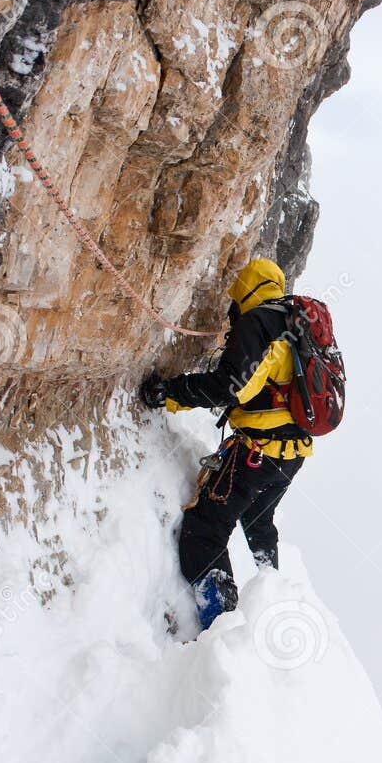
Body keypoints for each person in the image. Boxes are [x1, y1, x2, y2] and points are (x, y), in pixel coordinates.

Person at [140, 257, 311, 631]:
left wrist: (170, 392)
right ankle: (275, 586)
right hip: (293, 455)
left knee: (204, 531)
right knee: (258, 519)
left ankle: (223, 627)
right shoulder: (296, 322)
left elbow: (231, 386)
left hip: (256, 454)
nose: (233, 313)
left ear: (245, 294)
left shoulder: (258, 323)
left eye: (235, 304)